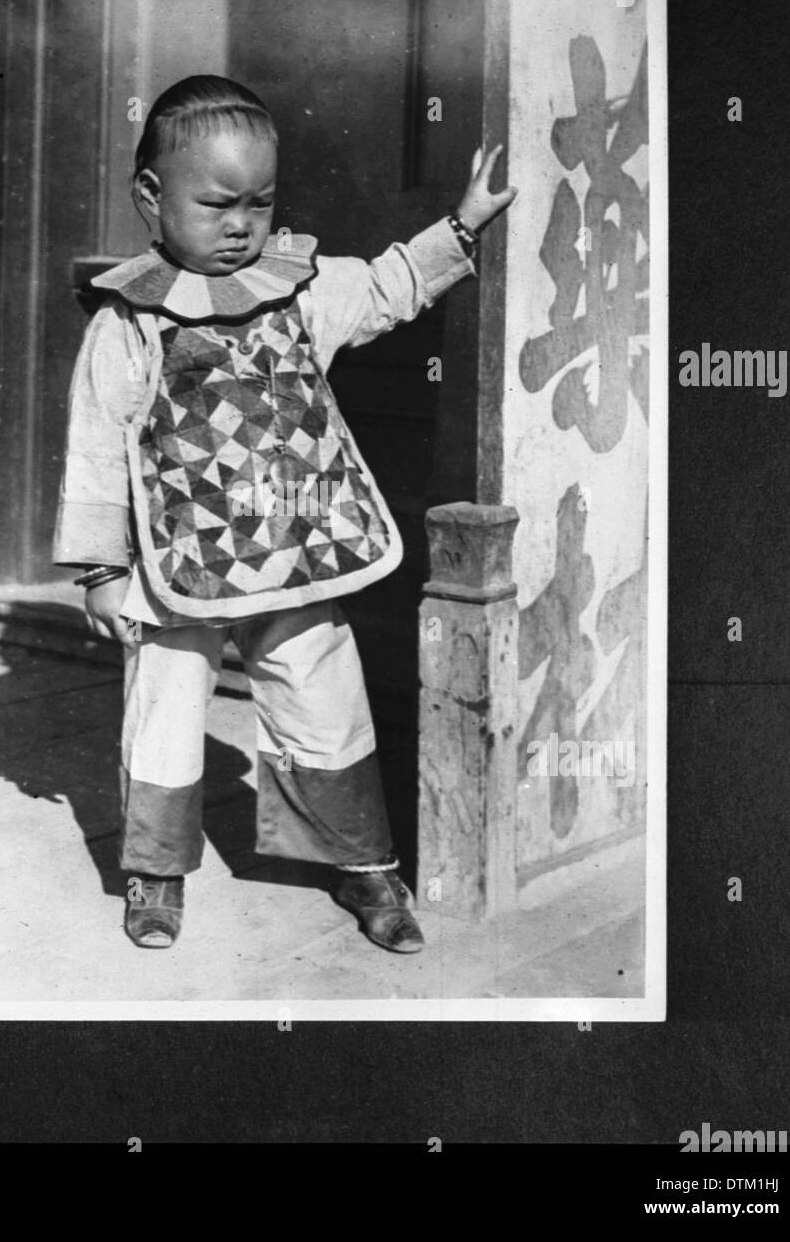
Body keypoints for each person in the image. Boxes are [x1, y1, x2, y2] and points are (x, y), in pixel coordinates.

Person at [54, 75, 516, 953]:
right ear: (151, 198)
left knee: (323, 693)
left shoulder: (300, 290)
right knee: (164, 704)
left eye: (259, 203)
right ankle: (155, 870)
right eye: (216, 203)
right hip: (171, 564)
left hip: (295, 549)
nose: (241, 224)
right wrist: (102, 570)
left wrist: (463, 225)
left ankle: (362, 863)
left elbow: (389, 287)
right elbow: (93, 446)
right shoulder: (127, 324)